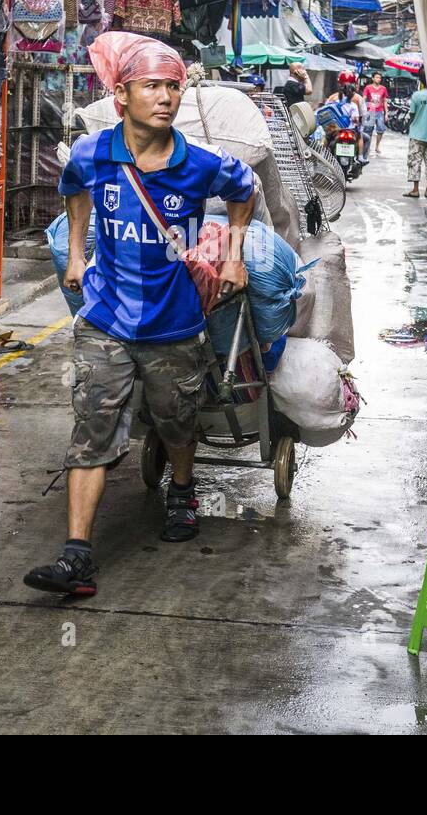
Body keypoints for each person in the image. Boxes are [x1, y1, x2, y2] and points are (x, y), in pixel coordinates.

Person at [24, 32, 257, 598]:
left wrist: (233, 255)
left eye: (174, 87)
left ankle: (181, 488)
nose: (166, 97)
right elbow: (73, 189)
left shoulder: (200, 164)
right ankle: (76, 555)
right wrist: (78, 251)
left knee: (177, 421)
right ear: (122, 95)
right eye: (152, 85)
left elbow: (244, 189)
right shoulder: (93, 153)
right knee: (93, 427)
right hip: (106, 317)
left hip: (174, 323)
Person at [402, 70, 427, 198]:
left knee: (415, 161)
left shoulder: (416, 96)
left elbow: (412, 114)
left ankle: (415, 189)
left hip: (417, 134)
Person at [326, 69, 367, 160]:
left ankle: (323, 157)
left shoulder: (333, 97)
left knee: (326, 137)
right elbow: (361, 117)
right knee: (361, 136)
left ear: (340, 84)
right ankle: (360, 157)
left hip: (335, 128)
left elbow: (326, 113)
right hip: (351, 129)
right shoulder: (357, 99)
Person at [362, 71, 389, 156]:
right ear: (372, 78)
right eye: (377, 77)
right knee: (368, 131)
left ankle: (377, 146)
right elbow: (364, 98)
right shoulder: (368, 87)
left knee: (381, 130)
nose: (378, 79)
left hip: (379, 112)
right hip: (370, 111)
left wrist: (386, 113)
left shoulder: (383, 88)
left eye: (380, 78)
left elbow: (385, 101)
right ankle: (368, 147)